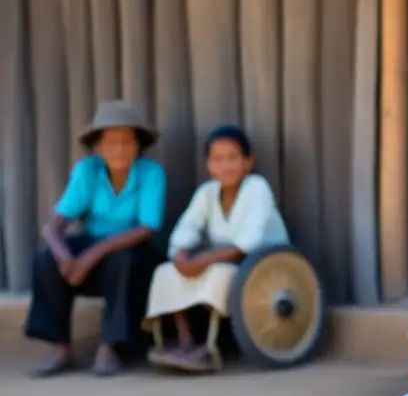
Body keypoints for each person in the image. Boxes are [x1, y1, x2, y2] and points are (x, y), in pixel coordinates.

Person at [24, 99, 166, 378]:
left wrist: (91, 255)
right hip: (94, 250)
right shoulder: (87, 171)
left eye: (128, 141)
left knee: (123, 259)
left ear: (138, 146)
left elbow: (146, 229)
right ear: (98, 147)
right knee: (45, 260)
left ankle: (108, 347)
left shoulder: (151, 173)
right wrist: (65, 258)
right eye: (112, 142)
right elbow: (52, 227)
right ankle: (61, 348)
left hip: (135, 254)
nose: (120, 149)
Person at [144, 124, 289, 373]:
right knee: (167, 271)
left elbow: (248, 243)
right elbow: (186, 229)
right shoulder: (207, 193)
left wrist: (200, 262)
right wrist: (180, 256)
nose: (225, 166)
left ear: (248, 161)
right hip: (221, 259)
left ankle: (209, 350)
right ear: (209, 165)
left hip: (263, 265)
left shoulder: (257, 188)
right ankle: (185, 342)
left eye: (233, 158)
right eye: (218, 159)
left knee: (219, 274)